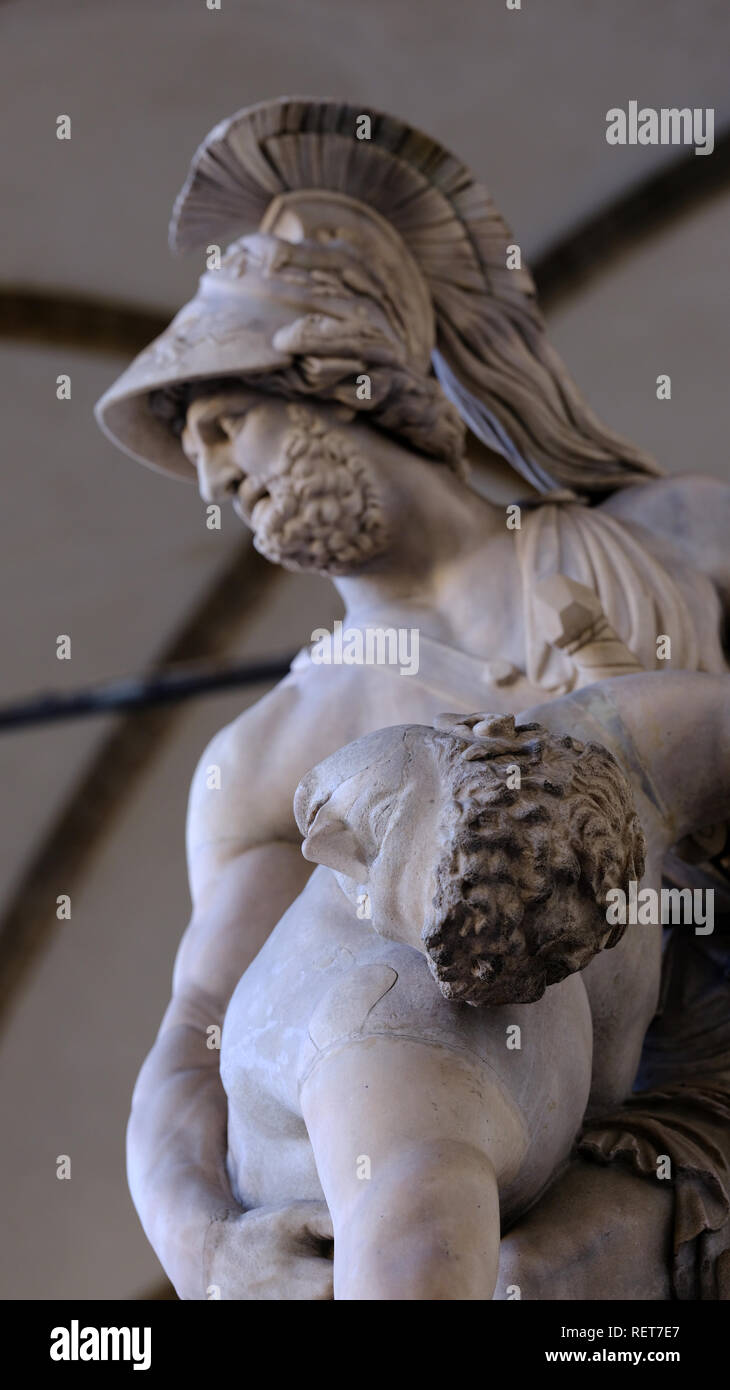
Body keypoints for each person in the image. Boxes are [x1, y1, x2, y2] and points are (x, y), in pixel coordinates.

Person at [94, 98, 730, 1298]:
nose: (216, 474)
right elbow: (200, 1031)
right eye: (199, 450)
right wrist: (201, 1243)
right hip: (537, 1137)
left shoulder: (676, 538)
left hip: (712, 1050)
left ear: (340, 377)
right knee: (511, 1278)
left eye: (230, 421)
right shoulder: (270, 746)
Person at [216, 670, 729, 1299]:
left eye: (377, 824)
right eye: (387, 911)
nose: (320, 848)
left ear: (482, 731)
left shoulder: (632, 743)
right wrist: (204, 1250)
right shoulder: (394, 1060)